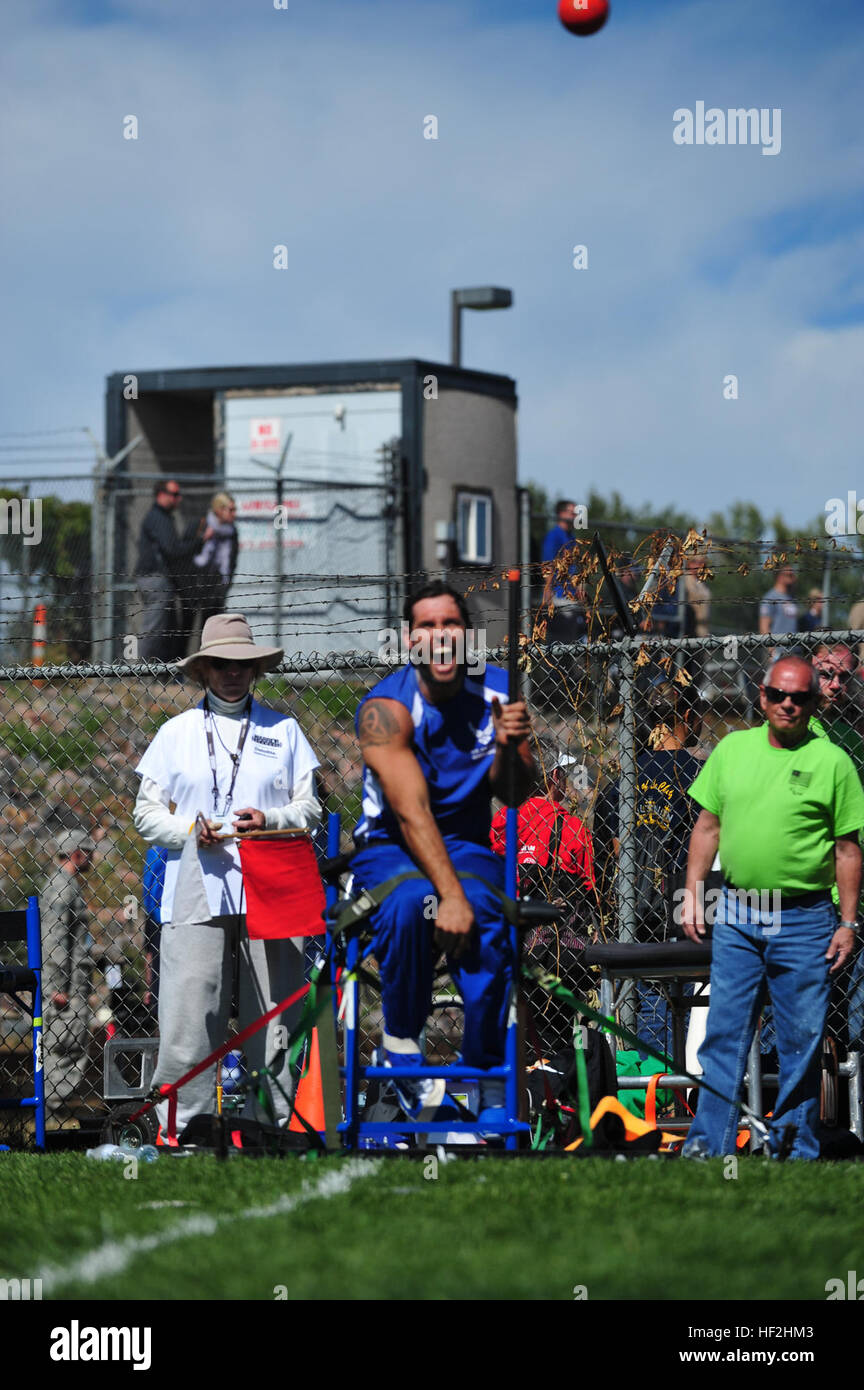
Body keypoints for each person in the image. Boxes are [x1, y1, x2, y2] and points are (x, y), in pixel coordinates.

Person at [351, 580, 535, 1124]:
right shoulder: (383, 709)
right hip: (392, 844)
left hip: (467, 845)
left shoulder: (500, 692)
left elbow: (516, 792)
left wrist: (510, 748)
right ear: (410, 640)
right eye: (426, 627)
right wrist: (447, 896)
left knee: (489, 920)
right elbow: (411, 813)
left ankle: (482, 1073)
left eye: (450, 624)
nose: (440, 636)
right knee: (412, 904)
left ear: (466, 633)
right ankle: (402, 1038)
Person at [133, 612, 321, 1140]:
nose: (232, 673)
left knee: (276, 1014)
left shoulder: (284, 729)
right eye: (221, 664)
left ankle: (273, 1128)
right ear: (204, 670)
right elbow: (145, 815)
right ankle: (181, 1129)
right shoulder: (176, 733)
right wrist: (190, 831)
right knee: (191, 1012)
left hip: (271, 884)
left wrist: (272, 820)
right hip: (195, 883)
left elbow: (310, 810)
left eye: (242, 664)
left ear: (256, 669)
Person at [681, 656, 864, 1159]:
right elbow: (707, 828)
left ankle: (792, 1149)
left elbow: (848, 850)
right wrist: (693, 893)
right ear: (761, 697)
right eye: (779, 695)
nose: (788, 704)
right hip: (739, 914)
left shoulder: (834, 762)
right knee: (723, 1036)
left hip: (806, 918)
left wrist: (847, 922)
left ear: (812, 702)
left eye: (800, 696)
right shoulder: (732, 750)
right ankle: (707, 1150)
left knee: (800, 1043)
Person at [593, 683, 705, 1057]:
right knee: (689, 1014)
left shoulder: (619, 784)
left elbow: (606, 852)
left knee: (650, 1013)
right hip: (686, 911)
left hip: (635, 914)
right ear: (688, 716)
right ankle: (683, 1096)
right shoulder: (701, 777)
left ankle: (656, 1098)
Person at [41, 830, 97, 1115]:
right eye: (89, 851)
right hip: (67, 988)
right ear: (77, 853)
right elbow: (55, 937)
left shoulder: (66, 884)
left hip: (71, 983)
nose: (93, 857)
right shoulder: (64, 887)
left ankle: (52, 1114)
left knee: (66, 1047)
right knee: (65, 1048)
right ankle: (52, 1116)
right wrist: (56, 985)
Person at [134, 479, 212, 662]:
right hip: (155, 578)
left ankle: (156, 673)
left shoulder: (163, 517)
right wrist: (200, 541)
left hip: (159, 579)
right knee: (154, 628)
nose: (179, 499)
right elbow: (173, 550)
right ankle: (141, 673)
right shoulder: (158, 518)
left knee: (163, 629)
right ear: (162, 494)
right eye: (175, 494)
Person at [183, 491, 240, 642]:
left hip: (216, 586)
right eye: (231, 509)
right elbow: (183, 551)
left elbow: (232, 560)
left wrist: (225, 585)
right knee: (184, 630)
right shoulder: (201, 524)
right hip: (194, 583)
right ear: (219, 510)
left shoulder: (232, 531)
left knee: (210, 630)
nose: (234, 514)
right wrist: (202, 539)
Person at [810, 642, 864, 774]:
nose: (836, 685)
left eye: (844, 676)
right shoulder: (786, 728)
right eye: (825, 674)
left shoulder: (852, 737)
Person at [541, 500, 587, 644]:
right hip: (559, 596)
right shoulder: (554, 536)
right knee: (560, 641)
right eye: (571, 512)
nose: (574, 516)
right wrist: (547, 591)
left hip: (572, 598)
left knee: (571, 642)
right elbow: (548, 564)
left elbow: (575, 568)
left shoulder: (572, 538)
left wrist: (580, 590)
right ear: (561, 514)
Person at [758, 565, 798, 637]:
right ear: (780, 576)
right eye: (790, 575)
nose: (794, 578)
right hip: (779, 646)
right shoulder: (770, 597)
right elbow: (764, 627)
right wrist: (772, 648)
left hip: (794, 646)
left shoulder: (791, 597)